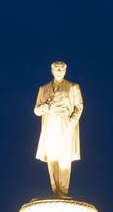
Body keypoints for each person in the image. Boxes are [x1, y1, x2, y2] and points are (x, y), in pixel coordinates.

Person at [33, 61, 83, 196]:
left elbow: (79, 106)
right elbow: (36, 111)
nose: (59, 71)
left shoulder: (73, 87)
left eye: (61, 69)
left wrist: (71, 122)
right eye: (57, 69)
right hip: (50, 125)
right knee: (52, 157)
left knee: (64, 157)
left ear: (65, 70)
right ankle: (55, 190)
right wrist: (44, 107)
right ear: (52, 71)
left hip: (65, 124)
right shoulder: (43, 89)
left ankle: (63, 189)